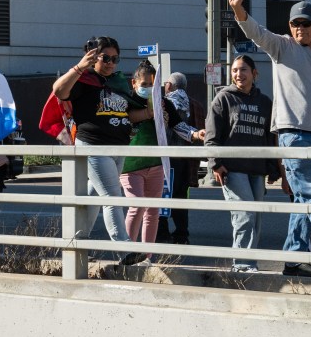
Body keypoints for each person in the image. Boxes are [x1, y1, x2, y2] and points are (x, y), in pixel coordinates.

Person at [229, 0, 311, 276]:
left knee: (304, 201)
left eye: (305, 23)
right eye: (295, 24)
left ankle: (293, 259)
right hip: (294, 134)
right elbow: (256, 33)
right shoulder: (282, 47)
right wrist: (238, 9)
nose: (300, 29)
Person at [50, 37, 153, 262]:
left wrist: (147, 114)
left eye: (115, 59)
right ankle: (124, 248)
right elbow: (58, 90)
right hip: (93, 144)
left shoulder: (118, 82)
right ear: (94, 56)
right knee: (111, 195)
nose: (111, 63)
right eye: (106, 58)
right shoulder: (84, 79)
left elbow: (126, 114)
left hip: (118, 146)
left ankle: (75, 244)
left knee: (94, 193)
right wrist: (79, 67)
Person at [204, 54, 277, 270]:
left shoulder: (265, 102)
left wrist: (273, 168)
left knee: (256, 219)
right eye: (235, 70)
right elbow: (211, 135)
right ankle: (242, 265)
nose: (238, 74)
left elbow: (270, 137)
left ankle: (248, 263)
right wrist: (215, 162)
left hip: (257, 170)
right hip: (233, 169)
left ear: (255, 74)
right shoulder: (223, 99)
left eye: (243, 69)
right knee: (244, 216)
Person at [118, 60, 179, 248]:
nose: (148, 88)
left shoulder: (164, 103)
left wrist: (195, 133)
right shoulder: (125, 101)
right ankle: (127, 253)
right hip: (130, 166)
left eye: (152, 85)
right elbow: (128, 117)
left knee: (153, 211)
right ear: (133, 83)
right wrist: (149, 113)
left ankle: (146, 256)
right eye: (144, 84)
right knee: (136, 207)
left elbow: (178, 125)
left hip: (157, 164)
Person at [158, 71, 201, 245]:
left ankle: (162, 233)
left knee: (163, 196)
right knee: (181, 196)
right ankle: (182, 233)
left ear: (169, 85)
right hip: (186, 158)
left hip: (167, 157)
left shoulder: (167, 102)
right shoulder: (195, 104)